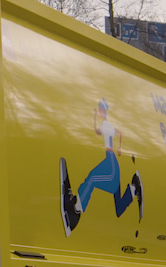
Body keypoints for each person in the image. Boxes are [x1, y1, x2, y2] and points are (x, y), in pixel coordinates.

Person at [60, 99, 142, 235]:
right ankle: (134, 188)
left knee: (92, 179)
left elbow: (119, 132)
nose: (98, 111)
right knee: (119, 207)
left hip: (111, 160)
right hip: (110, 159)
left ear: (103, 110)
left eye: (99, 109)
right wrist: (93, 118)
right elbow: (97, 132)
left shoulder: (108, 125)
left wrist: (120, 148)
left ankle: (76, 209)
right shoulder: (104, 124)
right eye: (98, 109)